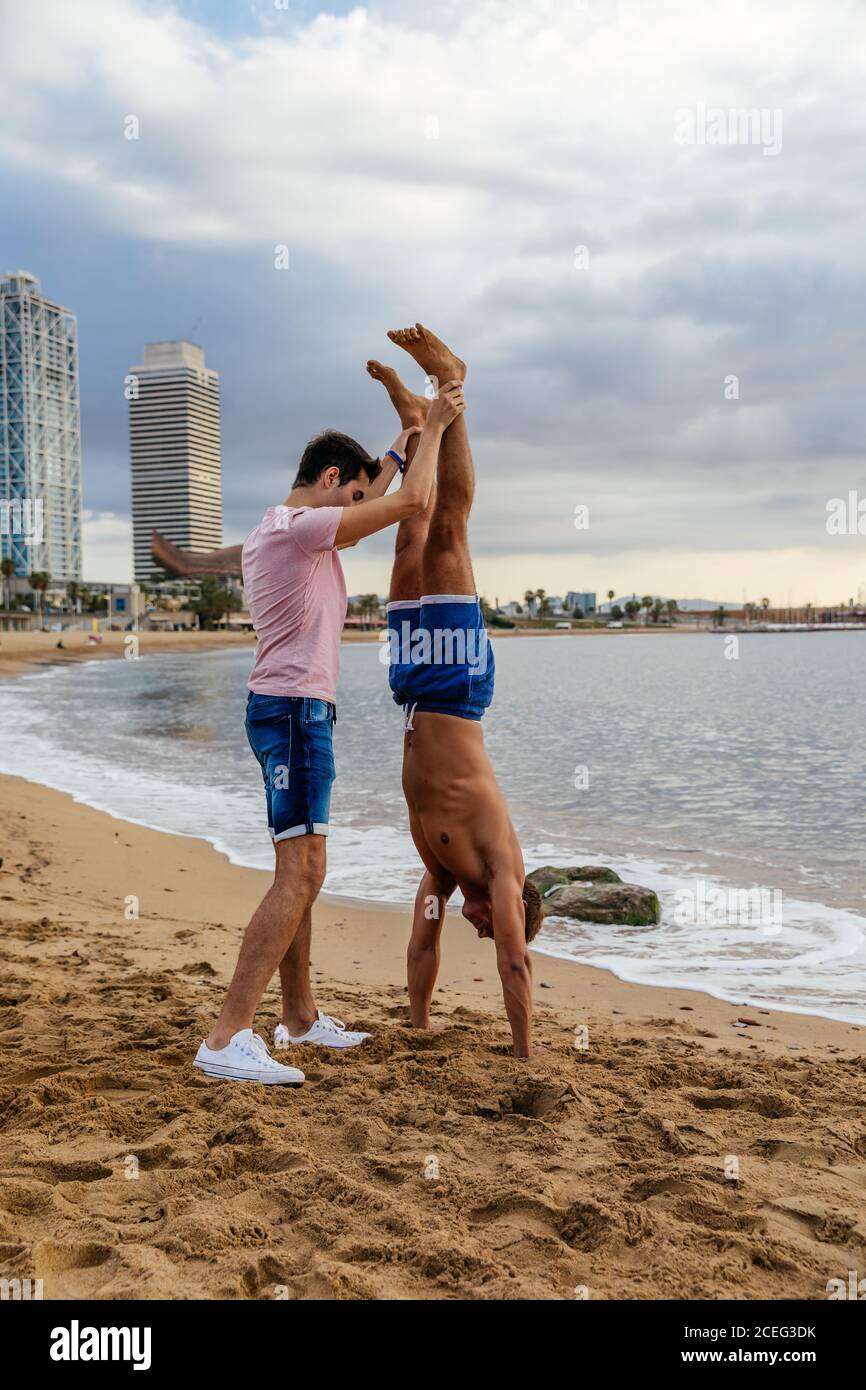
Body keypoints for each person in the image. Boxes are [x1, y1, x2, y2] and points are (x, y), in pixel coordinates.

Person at [194, 381, 466, 1084]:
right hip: (292, 711)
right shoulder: (300, 528)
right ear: (327, 481)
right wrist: (435, 426)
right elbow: (407, 504)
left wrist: (405, 440)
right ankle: (227, 1038)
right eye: (350, 499)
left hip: (285, 707)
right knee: (304, 871)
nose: (356, 517)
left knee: (300, 868)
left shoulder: (282, 525)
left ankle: (299, 1018)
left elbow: (380, 484)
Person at [369, 324, 543, 1060]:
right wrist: (524, 1048)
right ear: (514, 909)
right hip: (457, 685)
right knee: (448, 534)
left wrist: (417, 1022)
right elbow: (515, 961)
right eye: (492, 922)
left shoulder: (443, 871)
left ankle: (416, 427)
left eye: (479, 922)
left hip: (412, 686)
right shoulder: (502, 870)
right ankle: (453, 386)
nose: (480, 926)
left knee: (409, 538)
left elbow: (421, 938)